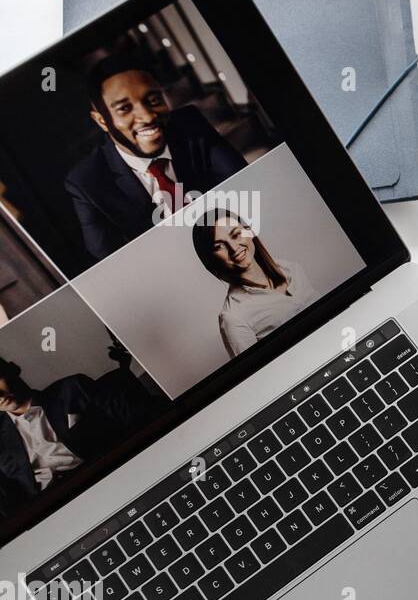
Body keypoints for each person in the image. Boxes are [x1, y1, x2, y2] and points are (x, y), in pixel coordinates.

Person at [64, 54, 247, 263]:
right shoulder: (86, 181)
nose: (148, 116)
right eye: (124, 108)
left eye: (153, 100)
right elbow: (112, 261)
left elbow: (243, 184)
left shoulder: (190, 123)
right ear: (101, 121)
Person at [0, 344, 156, 518]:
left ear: (13, 369)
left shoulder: (73, 388)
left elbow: (138, 419)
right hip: (56, 515)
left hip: (106, 483)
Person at [191, 208, 317, 358]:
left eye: (236, 235)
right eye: (219, 246)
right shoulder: (233, 318)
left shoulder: (291, 268)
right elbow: (262, 374)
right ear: (210, 260)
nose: (234, 248)